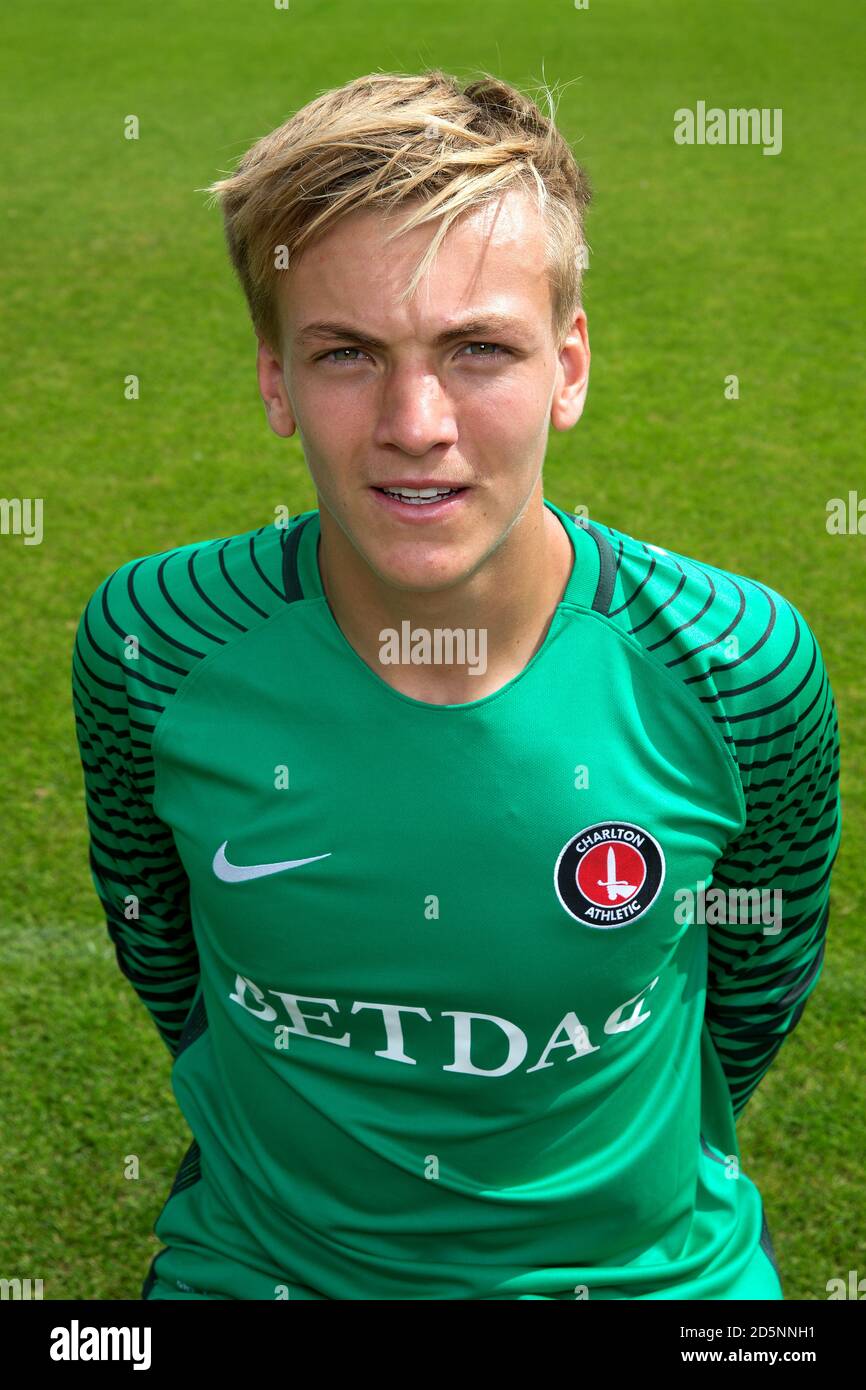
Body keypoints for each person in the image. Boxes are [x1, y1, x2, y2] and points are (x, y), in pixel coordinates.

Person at [71, 69, 840, 1300]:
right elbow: (159, 938)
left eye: (477, 348)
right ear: (274, 379)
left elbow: (757, 971)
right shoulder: (152, 643)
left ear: (568, 366)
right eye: (345, 354)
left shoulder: (739, 665)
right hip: (264, 1273)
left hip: (655, 1283)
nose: (413, 420)